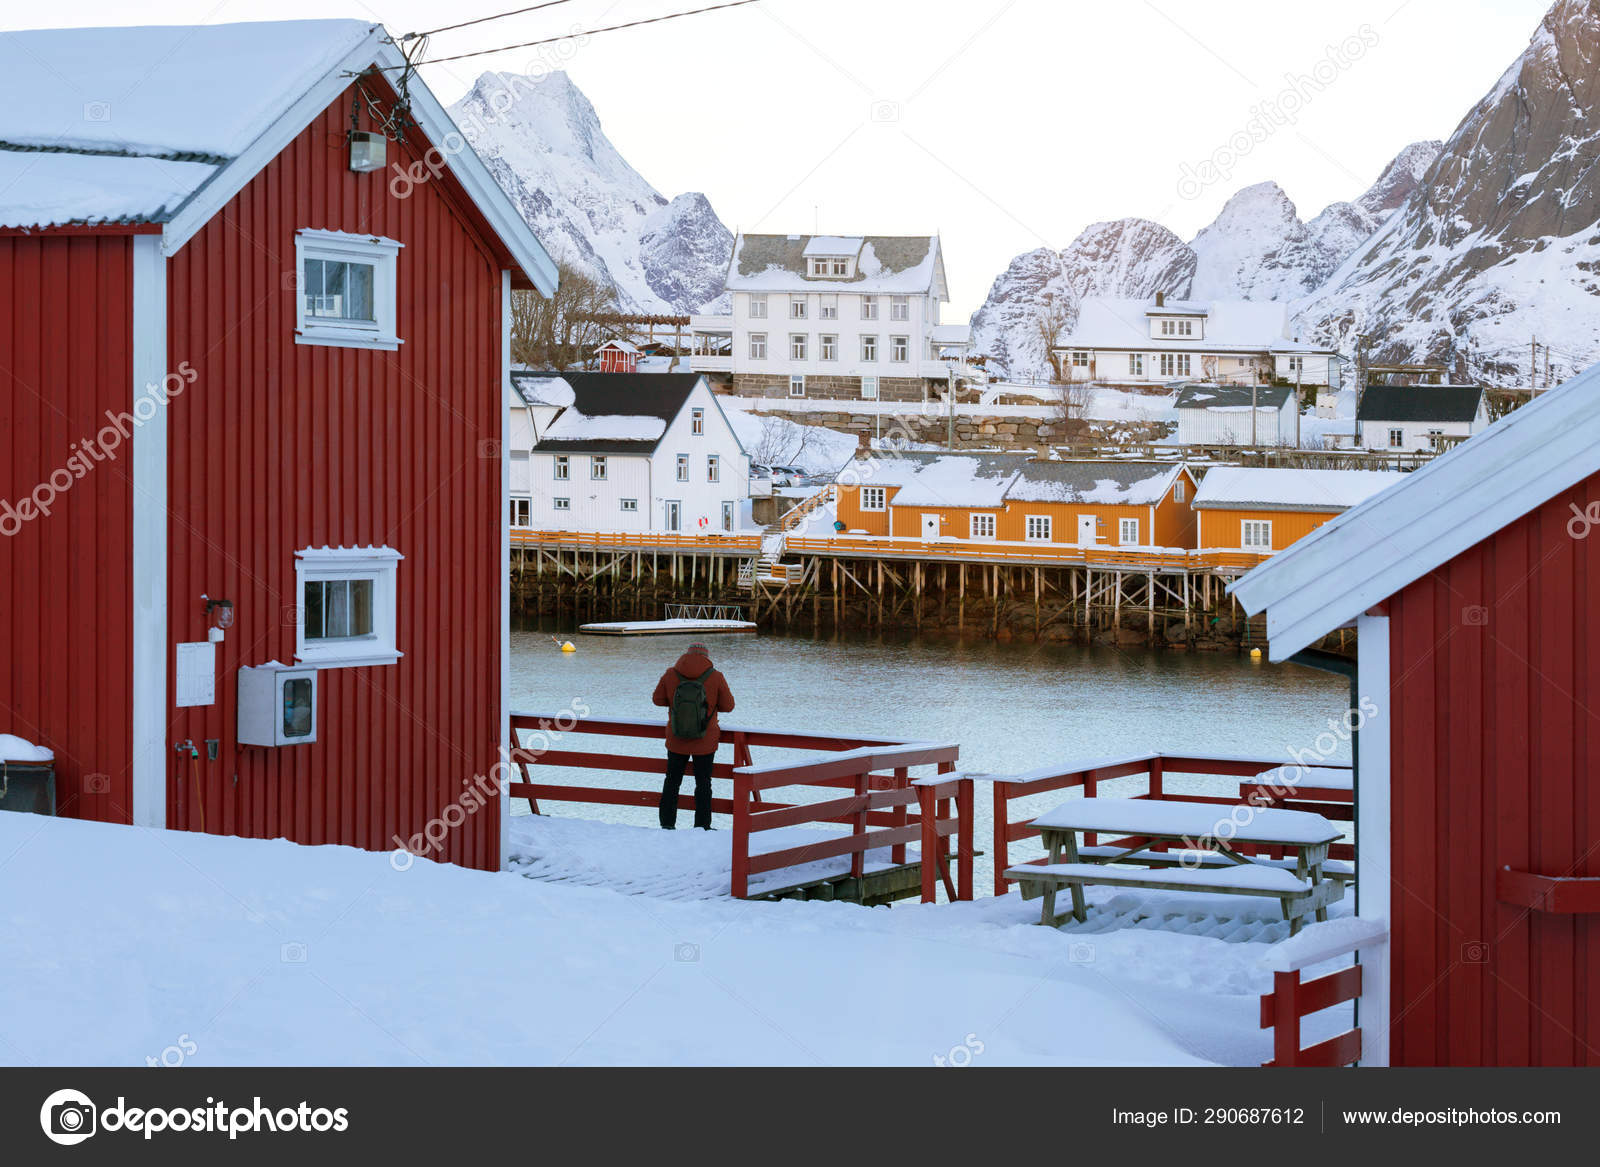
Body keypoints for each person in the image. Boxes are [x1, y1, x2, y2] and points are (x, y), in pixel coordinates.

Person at [651, 642, 735, 830]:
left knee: (672, 781)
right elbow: (729, 706)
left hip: (676, 739)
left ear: (685, 655)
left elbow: (657, 699)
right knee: (703, 782)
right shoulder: (715, 676)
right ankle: (702, 826)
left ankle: (667, 825)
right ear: (706, 657)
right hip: (705, 740)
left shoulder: (671, 674)